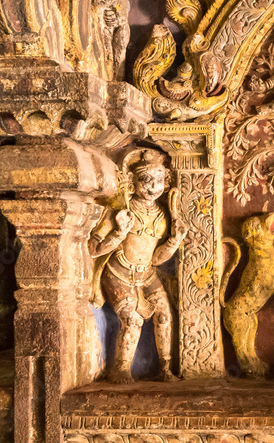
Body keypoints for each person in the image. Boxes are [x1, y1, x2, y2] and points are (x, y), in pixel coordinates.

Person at [90, 150, 186, 383]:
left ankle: (165, 368)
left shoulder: (162, 216)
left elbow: (155, 259)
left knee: (164, 314)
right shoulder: (120, 210)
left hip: (146, 274)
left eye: (160, 180)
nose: (154, 187)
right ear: (132, 183)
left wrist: (174, 241)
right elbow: (93, 249)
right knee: (132, 320)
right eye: (147, 180)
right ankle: (120, 369)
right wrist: (119, 233)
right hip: (118, 274)